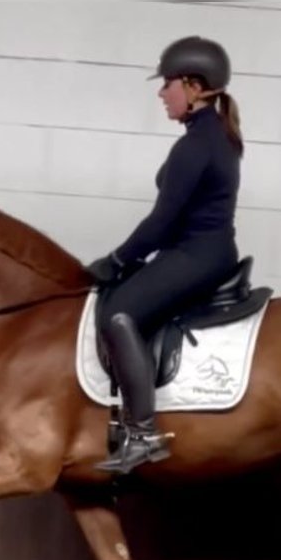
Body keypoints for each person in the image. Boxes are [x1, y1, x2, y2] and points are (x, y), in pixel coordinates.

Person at [85, 35, 245, 474]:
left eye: (167, 84)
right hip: (201, 251)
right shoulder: (215, 136)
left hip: (197, 255)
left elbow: (162, 222)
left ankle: (143, 433)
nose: (161, 93)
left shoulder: (196, 145)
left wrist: (117, 260)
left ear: (193, 86)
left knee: (119, 315)